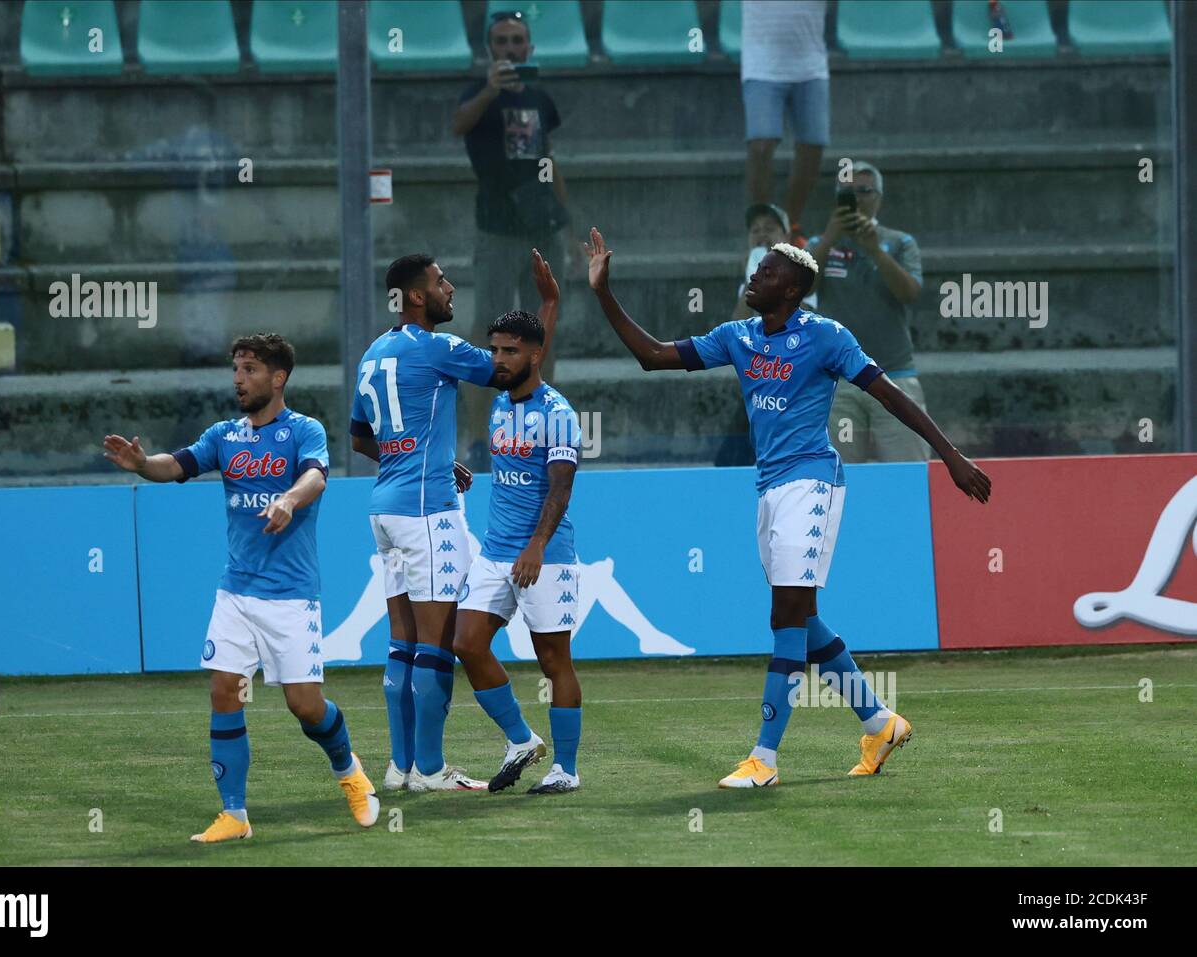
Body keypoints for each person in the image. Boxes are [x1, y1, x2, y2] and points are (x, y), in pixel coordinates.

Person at [584, 227, 992, 788]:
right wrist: (604, 292)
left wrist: (950, 456)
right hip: (770, 490)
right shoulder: (737, 336)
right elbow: (653, 357)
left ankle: (764, 759)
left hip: (812, 484)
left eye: (767, 272)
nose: (755, 277)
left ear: (793, 289)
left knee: (784, 618)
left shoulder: (826, 337)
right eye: (756, 270)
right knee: (802, 619)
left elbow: (889, 392)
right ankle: (880, 721)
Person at [102, 334, 379, 843]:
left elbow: (317, 477)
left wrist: (289, 500)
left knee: (305, 706)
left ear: (278, 378)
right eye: (236, 368)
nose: (238, 378)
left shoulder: (303, 430)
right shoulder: (224, 436)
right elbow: (178, 464)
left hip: (292, 595)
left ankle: (349, 770)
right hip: (235, 591)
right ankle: (235, 814)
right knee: (223, 689)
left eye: (249, 369)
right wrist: (143, 465)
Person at [350, 252, 558, 792]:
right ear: (417, 296)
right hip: (427, 514)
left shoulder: (374, 352)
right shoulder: (439, 348)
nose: (451, 289)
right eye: (441, 282)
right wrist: (548, 309)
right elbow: (513, 369)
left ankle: (400, 767)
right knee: (437, 643)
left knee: (401, 643)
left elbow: (358, 437)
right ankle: (432, 769)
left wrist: (423, 459)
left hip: (385, 509)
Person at [453, 308, 585, 795]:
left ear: (535, 353)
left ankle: (566, 770)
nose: (499, 359)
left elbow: (560, 489)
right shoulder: (502, 404)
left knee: (554, 662)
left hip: (544, 556)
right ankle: (521, 740)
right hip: (494, 552)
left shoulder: (558, 413)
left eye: (510, 350)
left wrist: (536, 544)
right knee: (466, 642)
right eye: (495, 350)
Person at [452, 8, 575, 467]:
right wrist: (490, 90)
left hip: (542, 229)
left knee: (545, 331)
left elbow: (549, 157)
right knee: (491, 329)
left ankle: (540, 429)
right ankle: (478, 438)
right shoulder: (477, 95)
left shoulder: (542, 98)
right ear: (490, 50)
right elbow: (458, 125)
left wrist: (568, 222)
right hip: (497, 229)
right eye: (501, 41)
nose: (509, 48)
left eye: (516, 41)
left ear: (529, 48)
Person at [809, 161, 929, 462]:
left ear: (879, 198)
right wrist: (828, 239)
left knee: (908, 476)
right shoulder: (818, 244)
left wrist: (875, 251)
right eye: (847, 193)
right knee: (838, 481)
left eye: (864, 191)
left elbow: (910, 293)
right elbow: (800, 288)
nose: (857, 199)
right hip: (838, 382)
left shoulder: (900, 242)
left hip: (894, 375)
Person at [741, 0, 830, 246]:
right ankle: (761, 228)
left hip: (810, 66)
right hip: (762, 66)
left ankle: (790, 225)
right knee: (760, 146)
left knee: (813, 146)